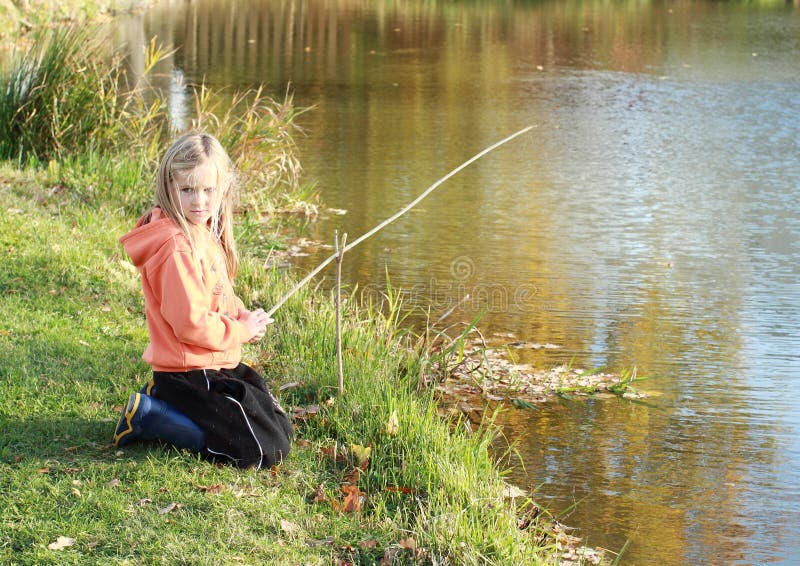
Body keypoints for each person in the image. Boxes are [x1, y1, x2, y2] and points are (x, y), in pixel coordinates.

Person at [112, 132, 292, 469]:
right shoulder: (176, 248)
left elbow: (218, 293)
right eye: (187, 190)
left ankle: (168, 406)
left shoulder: (203, 231)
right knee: (261, 449)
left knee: (278, 426)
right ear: (170, 186)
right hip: (188, 371)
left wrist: (242, 317)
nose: (199, 201)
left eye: (208, 190)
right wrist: (238, 331)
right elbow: (190, 323)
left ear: (222, 188)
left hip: (211, 362)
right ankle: (153, 417)